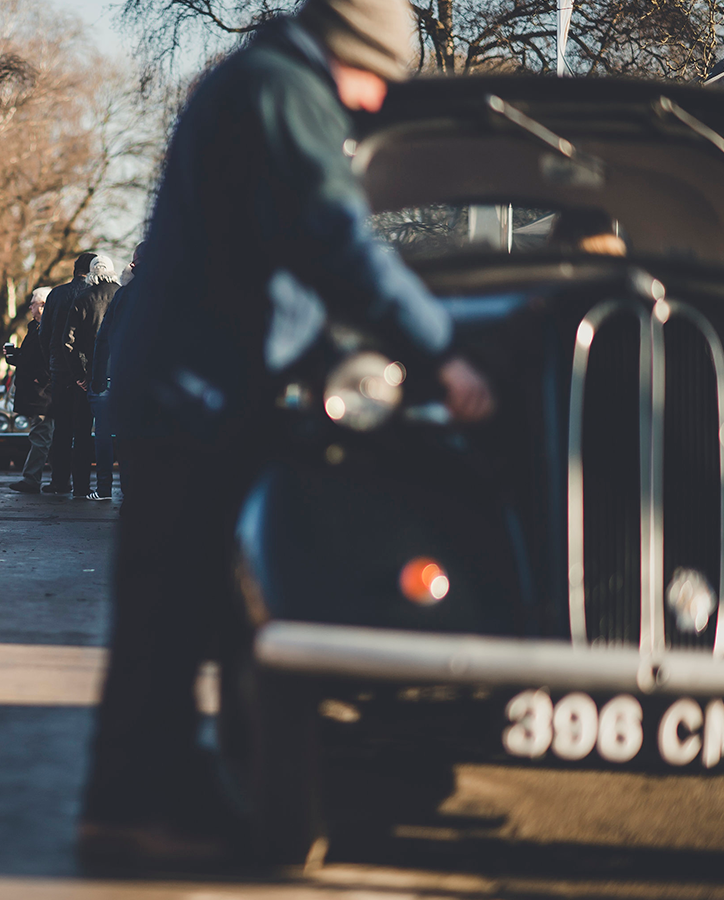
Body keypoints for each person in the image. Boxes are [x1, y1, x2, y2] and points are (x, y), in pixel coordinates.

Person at [80, 0, 493, 866]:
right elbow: (333, 237)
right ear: (344, 49)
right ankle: (130, 809)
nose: (375, 101)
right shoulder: (282, 91)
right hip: (194, 400)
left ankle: (172, 793)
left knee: (185, 609)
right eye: (375, 77)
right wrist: (440, 348)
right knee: (168, 615)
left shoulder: (258, 82)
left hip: (192, 392)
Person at [63, 255, 121, 501]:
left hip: (90, 376)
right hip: (120, 373)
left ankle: (85, 487)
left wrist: (79, 375)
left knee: (85, 434)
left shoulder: (83, 299)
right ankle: (126, 487)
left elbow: (68, 342)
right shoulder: (123, 296)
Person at [40, 252, 97, 496]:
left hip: (60, 369)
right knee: (83, 429)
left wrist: (50, 362)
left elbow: (44, 333)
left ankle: (59, 481)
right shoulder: (93, 294)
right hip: (85, 370)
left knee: (61, 428)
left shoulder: (56, 294)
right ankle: (82, 485)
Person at [87, 246, 140, 503]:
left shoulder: (125, 295)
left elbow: (104, 338)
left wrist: (97, 377)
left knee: (109, 435)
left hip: (120, 377)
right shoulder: (172, 292)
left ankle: (114, 490)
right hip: (156, 381)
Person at [5, 287, 54, 494]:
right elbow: (31, 357)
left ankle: (32, 478)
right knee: (44, 435)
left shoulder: (48, 327)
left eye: (33, 303)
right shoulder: (36, 327)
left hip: (43, 393)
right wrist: (15, 356)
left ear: (42, 306)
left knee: (41, 435)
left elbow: (52, 355)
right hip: (38, 391)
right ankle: (55, 478)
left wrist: (42, 377)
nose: (30, 307)